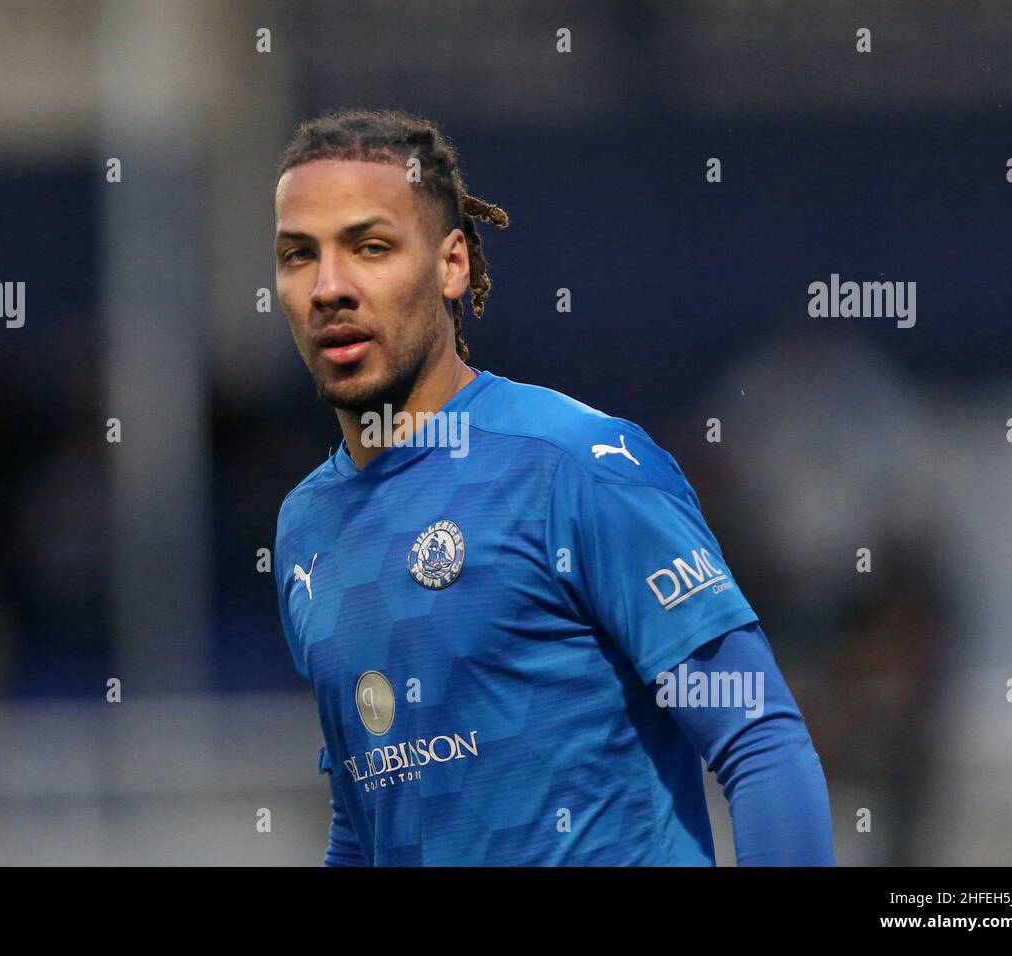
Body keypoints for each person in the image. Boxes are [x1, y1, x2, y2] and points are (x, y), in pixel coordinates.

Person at [272, 108, 834, 866]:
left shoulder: (577, 466)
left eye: (370, 247)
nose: (329, 287)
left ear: (452, 264)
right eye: (299, 256)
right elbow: (363, 819)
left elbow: (760, 742)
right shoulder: (306, 528)